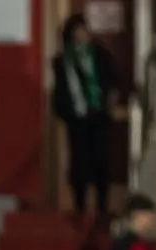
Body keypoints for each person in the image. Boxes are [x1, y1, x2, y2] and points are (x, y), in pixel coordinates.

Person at [50, 14, 116, 219]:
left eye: (83, 31)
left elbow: (114, 80)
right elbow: (59, 90)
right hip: (76, 118)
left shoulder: (101, 54)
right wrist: (63, 111)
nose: (81, 36)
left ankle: (102, 206)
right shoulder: (62, 61)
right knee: (79, 162)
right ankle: (79, 205)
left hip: (98, 115)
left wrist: (108, 103)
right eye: (76, 32)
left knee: (101, 160)